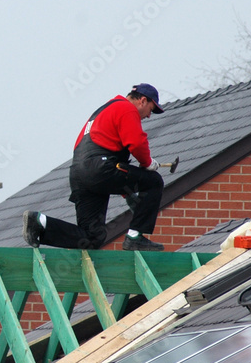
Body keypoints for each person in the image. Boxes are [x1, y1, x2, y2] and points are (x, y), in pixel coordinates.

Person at [23, 83, 166, 252]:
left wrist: (125, 189)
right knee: (154, 181)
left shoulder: (105, 110)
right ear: (142, 100)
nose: (149, 116)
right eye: (151, 109)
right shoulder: (127, 109)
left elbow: (112, 153)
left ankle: (40, 222)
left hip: (80, 174)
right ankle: (135, 237)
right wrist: (148, 163)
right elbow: (136, 142)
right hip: (100, 168)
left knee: (92, 238)